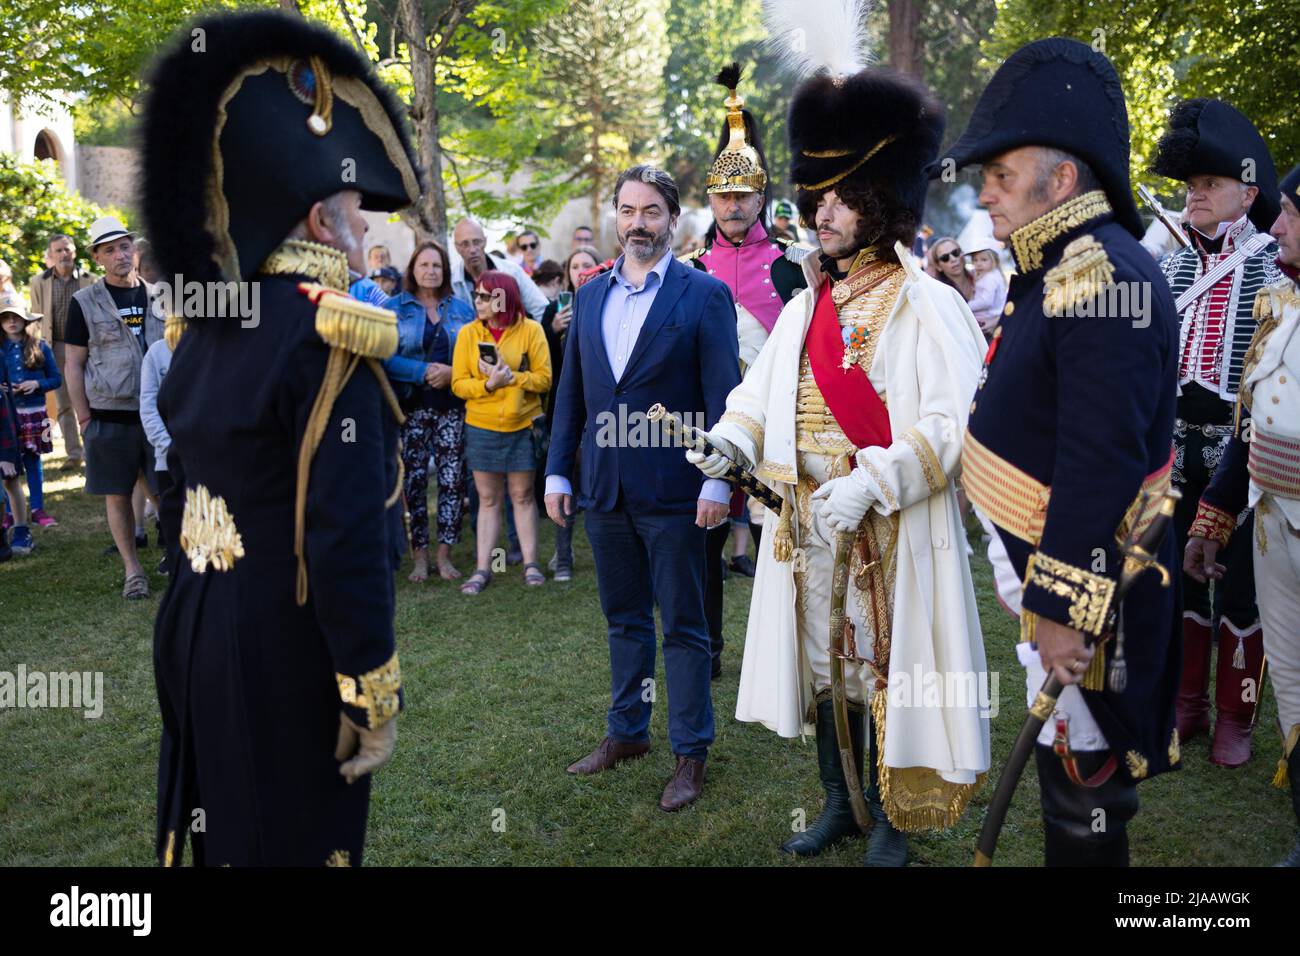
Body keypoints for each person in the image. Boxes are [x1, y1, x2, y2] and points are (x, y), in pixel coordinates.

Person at [691, 43, 989, 866]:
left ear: (882, 203)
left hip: (890, 525)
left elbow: (952, 423)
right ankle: (839, 803)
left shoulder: (928, 306)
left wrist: (876, 483)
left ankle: (892, 817)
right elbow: (760, 397)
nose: (822, 212)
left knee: (889, 669)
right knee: (828, 671)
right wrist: (729, 440)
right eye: (816, 196)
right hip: (809, 523)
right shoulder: (804, 306)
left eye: (842, 198)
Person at [140, 9, 421, 865]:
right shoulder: (324, 338)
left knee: (225, 834)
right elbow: (343, 538)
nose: (369, 230)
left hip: (193, 629)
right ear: (314, 222)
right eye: (354, 212)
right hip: (286, 652)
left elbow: (179, 487)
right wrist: (369, 691)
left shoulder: (206, 325)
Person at [949, 37, 1182, 866]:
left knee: (1084, 796)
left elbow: (1099, 461)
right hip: (1052, 573)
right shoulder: (1060, 265)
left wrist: (1059, 608)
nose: (983, 195)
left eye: (1001, 176)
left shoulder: (1099, 276)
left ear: (1064, 179)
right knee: (1064, 781)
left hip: (1087, 596)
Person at [545, 164, 740, 812]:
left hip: (678, 491)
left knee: (684, 627)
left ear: (673, 220)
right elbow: (572, 391)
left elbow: (723, 401)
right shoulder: (591, 295)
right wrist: (557, 469)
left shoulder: (703, 296)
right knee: (623, 620)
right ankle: (627, 733)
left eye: (650, 212)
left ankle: (690, 753)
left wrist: (719, 482)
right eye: (627, 211)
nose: (637, 224)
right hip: (603, 490)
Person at [1150, 98, 1282, 768]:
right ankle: (1187, 704)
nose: (1194, 196)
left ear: (1248, 192)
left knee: (1240, 586)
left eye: (1209, 185)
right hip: (1176, 445)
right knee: (1174, 573)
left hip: (1242, 452)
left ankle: (1238, 713)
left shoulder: (1268, 265)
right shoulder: (1171, 265)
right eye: (1190, 186)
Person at [1186, 163, 1300, 865]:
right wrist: (1214, 515)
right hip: (1270, 527)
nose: (1279, 227)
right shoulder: (1281, 306)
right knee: (1292, 685)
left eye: (1290, 214)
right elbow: (1249, 424)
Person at [679, 62, 809, 677]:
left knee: (775, 543)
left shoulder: (792, 266)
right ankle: (707, 650)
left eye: (743, 196)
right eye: (722, 196)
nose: (732, 206)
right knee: (703, 544)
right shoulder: (689, 269)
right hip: (708, 430)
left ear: (760, 197)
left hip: (776, 429)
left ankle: (783, 654)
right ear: (710, 197)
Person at [62, 216, 165, 599]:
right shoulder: (83, 303)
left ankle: (179, 559)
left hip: (157, 413)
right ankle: (132, 570)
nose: (121, 254)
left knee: (166, 491)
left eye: (125, 245)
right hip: (109, 415)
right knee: (117, 493)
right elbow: (73, 363)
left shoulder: (159, 296)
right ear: (97, 258)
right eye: (110, 249)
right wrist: (83, 415)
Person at [452, 270, 552, 593]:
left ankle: (531, 564)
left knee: (522, 495)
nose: (477, 301)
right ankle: (484, 569)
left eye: (484, 295)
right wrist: (488, 384)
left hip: (522, 425)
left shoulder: (531, 331)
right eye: (477, 295)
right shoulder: (468, 334)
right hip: (481, 426)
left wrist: (514, 379)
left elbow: (544, 379)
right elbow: (458, 384)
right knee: (487, 498)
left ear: (501, 298)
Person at [389, 240, 474, 583]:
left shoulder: (462, 309)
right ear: (412, 269)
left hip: (452, 408)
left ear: (444, 271)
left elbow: (475, 356)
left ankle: (444, 556)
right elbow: (384, 357)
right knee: (414, 482)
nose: (430, 271)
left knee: (453, 482)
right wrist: (421, 372)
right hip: (411, 408)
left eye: (436, 265)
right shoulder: (396, 308)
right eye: (423, 265)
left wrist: (453, 372)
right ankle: (419, 557)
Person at [537, 246, 600, 581]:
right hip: (566, 408)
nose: (580, 271)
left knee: (593, 480)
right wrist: (553, 330)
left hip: (600, 410)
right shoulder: (553, 310)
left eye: (587, 264)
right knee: (564, 479)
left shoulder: (607, 302)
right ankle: (562, 555)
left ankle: (608, 549)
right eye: (574, 266)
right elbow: (544, 361)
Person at [30, 233, 94, 466]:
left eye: (67, 249)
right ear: (51, 255)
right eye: (59, 250)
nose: (64, 254)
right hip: (54, 346)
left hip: (87, 346)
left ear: (75, 252)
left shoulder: (91, 280)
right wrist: (37, 350)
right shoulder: (39, 282)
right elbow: (35, 318)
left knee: (91, 397)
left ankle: (92, 451)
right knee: (64, 402)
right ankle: (74, 454)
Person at [1, 293, 61, 542]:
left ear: (25, 320)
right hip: (7, 416)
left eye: (17, 317)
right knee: (8, 465)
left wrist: (36, 383)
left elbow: (56, 379)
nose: (12, 322)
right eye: (6, 318)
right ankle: (8, 512)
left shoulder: (40, 346)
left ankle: (37, 508)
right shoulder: (0, 349)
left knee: (33, 461)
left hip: (34, 412)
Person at [139, 317, 184, 576]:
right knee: (173, 509)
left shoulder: (214, 346)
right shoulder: (156, 353)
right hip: (169, 455)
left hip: (207, 452)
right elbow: (147, 406)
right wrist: (167, 445)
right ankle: (174, 554)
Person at [450, 218, 549, 322]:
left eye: (477, 242)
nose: (473, 250)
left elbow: (540, 309)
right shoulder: (450, 280)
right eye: (465, 244)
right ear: (456, 247)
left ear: (485, 241)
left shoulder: (511, 271)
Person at [965, 238, 1008, 334]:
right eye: (975, 260)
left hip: (987, 316)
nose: (978, 264)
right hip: (989, 314)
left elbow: (986, 301)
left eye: (984, 260)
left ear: (994, 261)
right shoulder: (989, 274)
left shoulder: (990, 278)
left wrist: (967, 306)